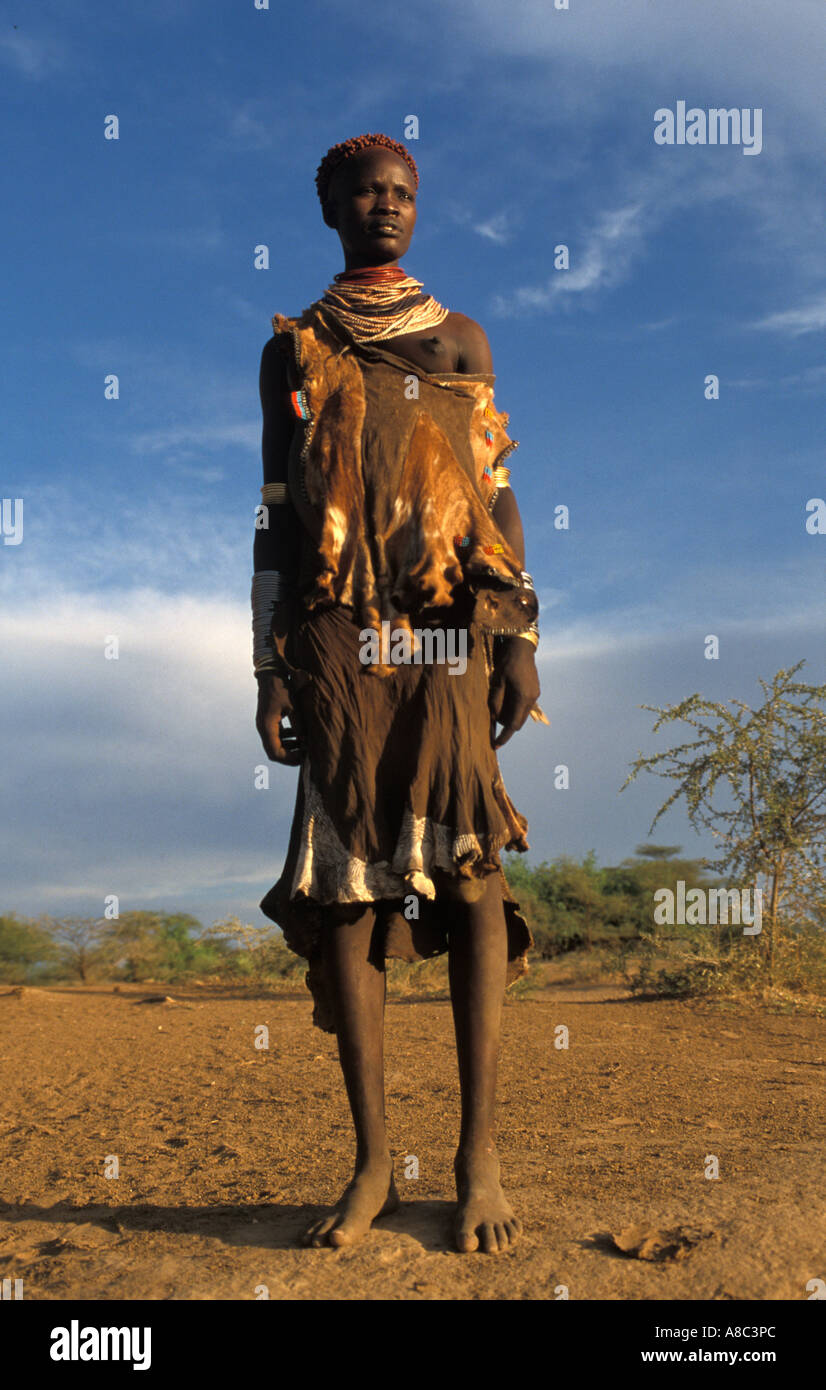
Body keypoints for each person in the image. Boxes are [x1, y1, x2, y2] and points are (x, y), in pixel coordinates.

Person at [253, 133, 544, 1255]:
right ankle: (374, 1163)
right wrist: (269, 666)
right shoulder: (294, 348)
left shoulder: (457, 338)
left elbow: (499, 496)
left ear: (417, 210)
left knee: (468, 881)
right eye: (366, 191)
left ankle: (477, 1160)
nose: (387, 205)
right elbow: (275, 511)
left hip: (443, 630)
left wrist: (517, 633)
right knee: (352, 902)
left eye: (403, 193)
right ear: (330, 207)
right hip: (334, 636)